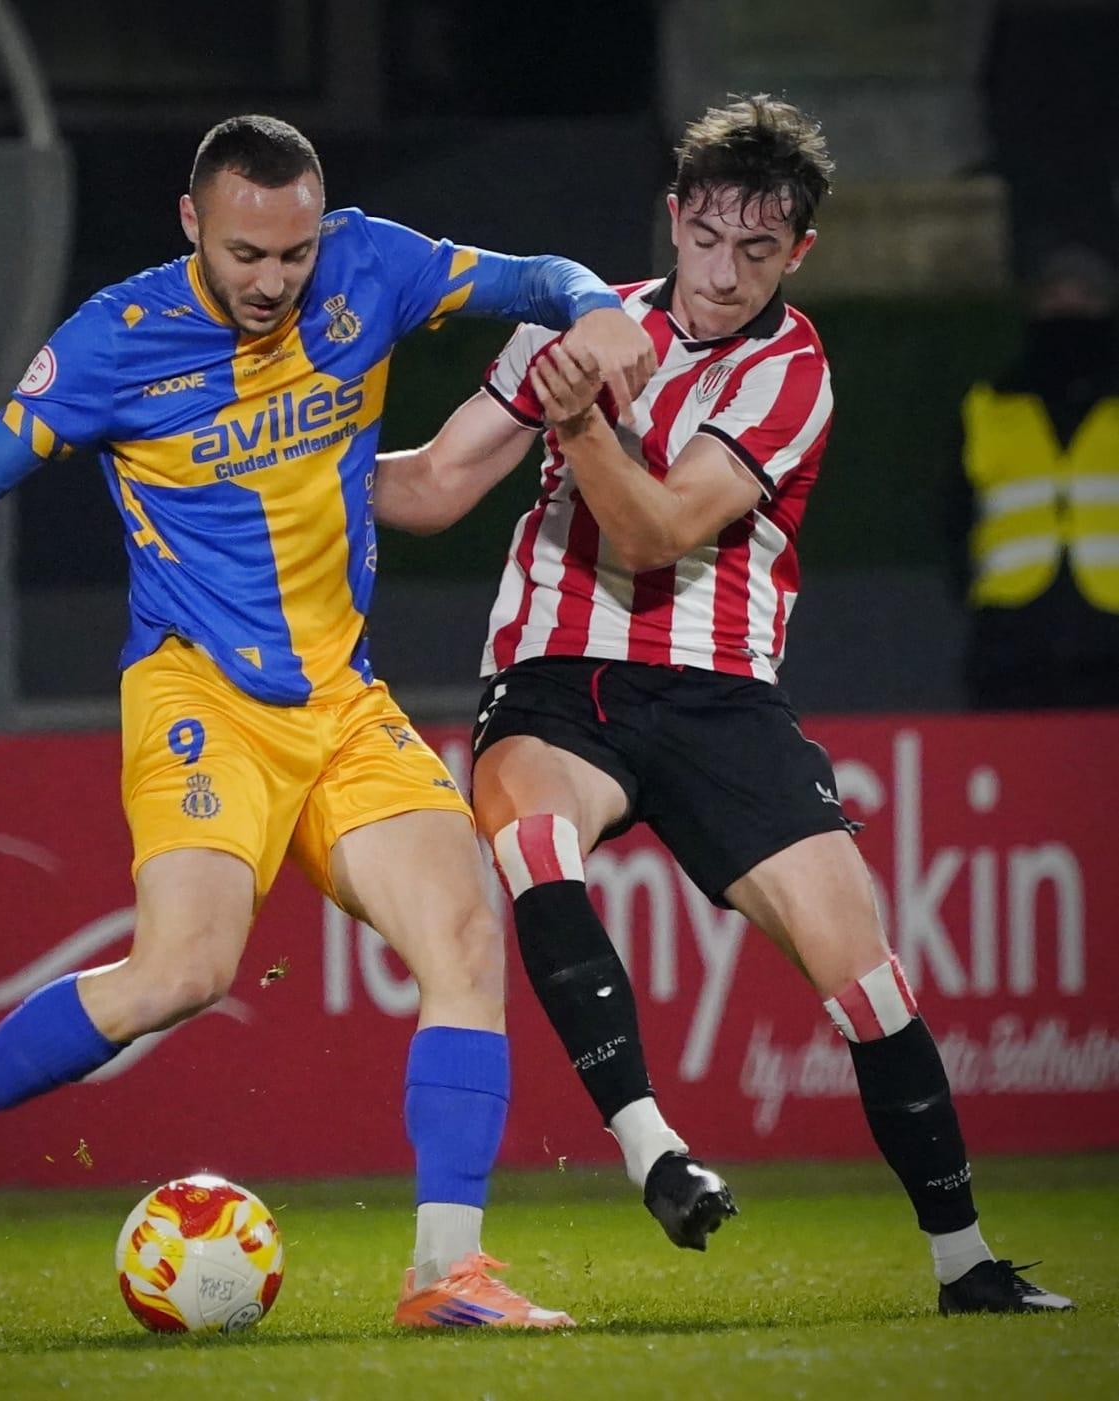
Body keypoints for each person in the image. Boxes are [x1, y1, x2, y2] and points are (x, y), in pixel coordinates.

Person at [0, 113, 659, 1330]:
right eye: (245, 256)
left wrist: (595, 302)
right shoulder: (115, 342)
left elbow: (536, 280)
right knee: (185, 970)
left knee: (461, 927)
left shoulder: (371, 265)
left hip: (340, 697)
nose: (272, 283)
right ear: (193, 224)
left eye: (291, 257)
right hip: (198, 696)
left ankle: (447, 1272)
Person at [375, 95, 1074, 1316]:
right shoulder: (580, 321)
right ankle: (654, 1147)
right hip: (554, 679)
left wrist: (575, 407)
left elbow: (653, 529)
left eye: (761, 250)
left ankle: (966, 1264)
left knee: (866, 980)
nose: (727, 272)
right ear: (676, 216)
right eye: (710, 237)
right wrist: (269, 463)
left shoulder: (792, 371)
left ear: (798, 251)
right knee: (535, 846)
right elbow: (431, 488)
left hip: (720, 698)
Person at [945, 244, 1119, 710]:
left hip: (1110, 636)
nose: (1069, 308)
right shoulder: (989, 404)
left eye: (1084, 295)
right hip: (1012, 639)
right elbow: (954, 515)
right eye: (1056, 296)